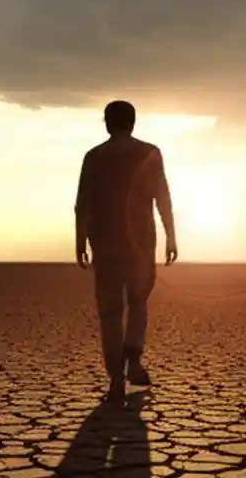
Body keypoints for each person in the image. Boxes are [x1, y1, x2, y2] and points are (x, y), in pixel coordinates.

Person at [75, 100, 178, 404]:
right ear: (132, 122)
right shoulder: (149, 153)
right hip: (141, 244)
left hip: (106, 243)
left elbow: (83, 203)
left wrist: (80, 240)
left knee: (110, 311)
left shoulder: (95, 156)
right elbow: (163, 198)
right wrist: (171, 235)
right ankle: (133, 359)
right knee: (138, 303)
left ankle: (116, 376)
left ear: (108, 122)